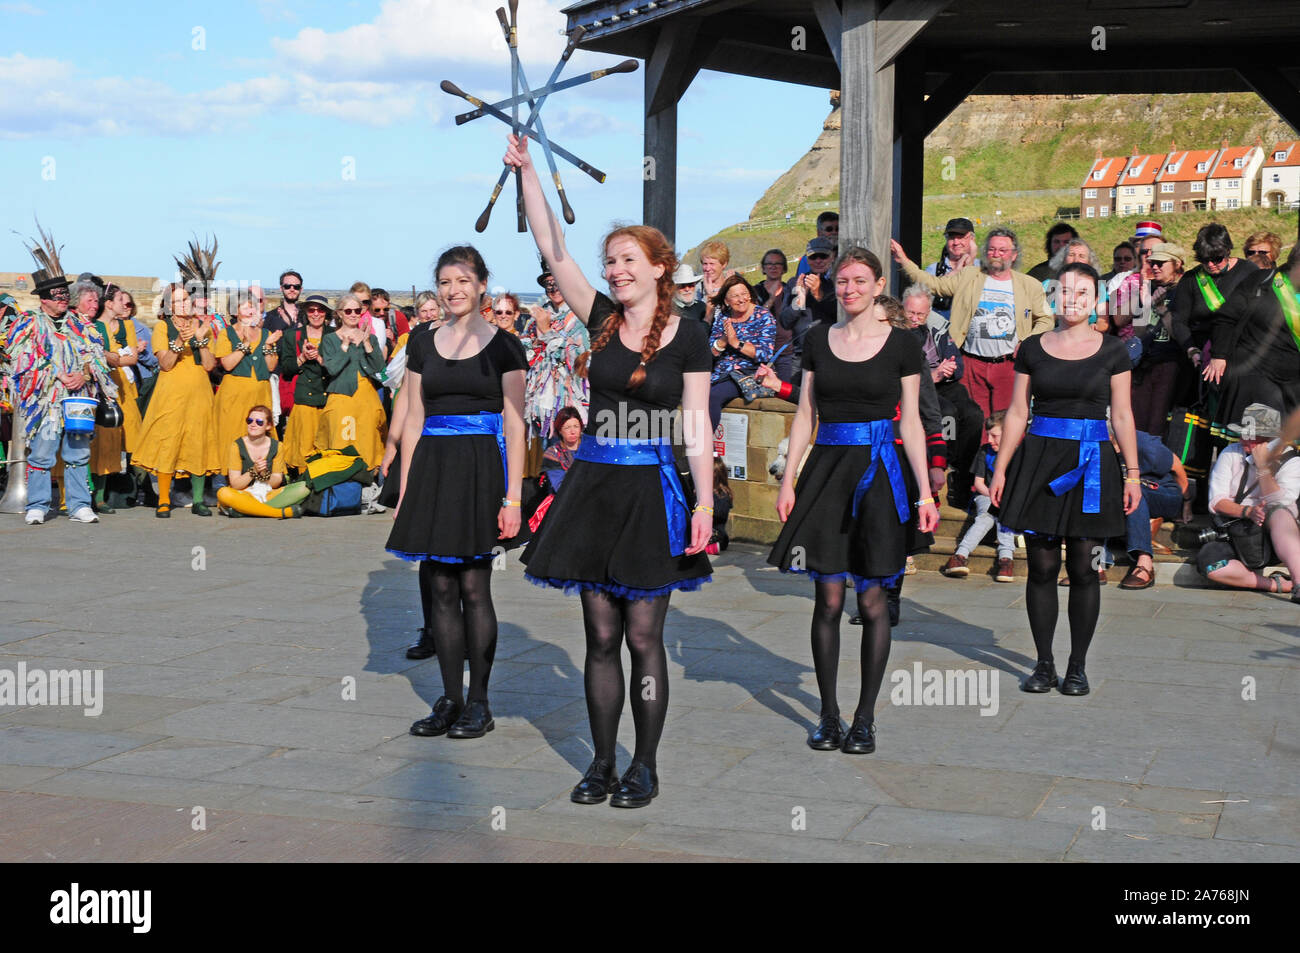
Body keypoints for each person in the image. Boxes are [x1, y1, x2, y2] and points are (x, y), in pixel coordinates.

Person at [506, 131, 714, 809]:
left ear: (659, 267)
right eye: (611, 261)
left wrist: (705, 505)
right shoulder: (599, 319)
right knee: (599, 636)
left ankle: (643, 765)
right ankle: (600, 762)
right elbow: (553, 249)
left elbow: (695, 423)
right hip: (594, 486)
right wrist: (528, 171)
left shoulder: (690, 334)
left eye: (627, 260)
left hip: (654, 490)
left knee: (644, 636)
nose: (616, 270)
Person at [768, 248, 939, 755]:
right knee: (827, 598)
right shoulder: (818, 338)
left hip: (882, 474)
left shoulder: (903, 344)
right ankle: (828, 715)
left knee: (872, 600)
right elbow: (805, 415)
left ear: (878, 284)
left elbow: (912, 422)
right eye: (843, 281)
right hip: (826, 473)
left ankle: (864, 719)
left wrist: (925, 492)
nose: (850, 289)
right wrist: (788, 480)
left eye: (860, 281)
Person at [387, 244, 527, 741]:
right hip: (433, 468)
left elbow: (516, 425)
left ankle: (479, 702)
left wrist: (513, 498)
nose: (453, 290)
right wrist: (406, 489)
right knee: (439, 586)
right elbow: (413, 418)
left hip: (481, 468)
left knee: (473, 585)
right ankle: (450, 698)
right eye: (445, 282)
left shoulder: (506, 345)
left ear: (482, 285)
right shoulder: (421, 342)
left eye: (463, 281)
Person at [990, 263, 1142, 696]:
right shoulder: (1032, 348)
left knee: (1084, 568)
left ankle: (1077, 666)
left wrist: (1133, 474)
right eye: (1066, 291)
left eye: (1082, 292)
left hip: (1093, 465)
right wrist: (1000, 468)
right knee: (1041, 567)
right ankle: (1044, 664)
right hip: (1039, 462)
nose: (1073, 299)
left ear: (1096, 300)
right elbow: (1017, 412)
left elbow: (1123, 415)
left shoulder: (1114, 351)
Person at [892, 228, 1054, 428]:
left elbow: (1046, 319)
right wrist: (904, 261)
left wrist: (1027, 341)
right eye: (992, 249)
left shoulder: (1030, 285)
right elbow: (935, 285)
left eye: (1002, 250)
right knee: (976, 423)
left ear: (1014, 255)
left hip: (1008, 365)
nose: (996, 254)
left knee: (1007, 425)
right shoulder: (969, 276)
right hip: (972, 364)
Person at [7, 263, 115, 525]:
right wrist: (56, 373)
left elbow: (96, 356)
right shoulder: (29, 323)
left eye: (66, 295)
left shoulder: (81, 325)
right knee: (42, 453)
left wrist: (85, 375)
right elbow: (21, 359)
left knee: (78, 451)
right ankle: (37, 505)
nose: (64, 299)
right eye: (57, 296)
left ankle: (80, 505)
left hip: (78, 400)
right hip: (46, 401)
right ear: (44, 299)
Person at [379, 290, 443, 660]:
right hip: (424, 445)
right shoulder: (418, 339)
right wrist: (392, 445)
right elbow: (405, 395)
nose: (434, 312)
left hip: (468, 448)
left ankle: (464, 630)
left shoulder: (476, 335)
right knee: (428, 546)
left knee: (467, 550)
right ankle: (432, 630)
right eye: (427, 308)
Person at [132, 283, 222, 517]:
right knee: (168, 442)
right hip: (171, 394)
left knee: (198, 441)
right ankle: (164, 499)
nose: (184, 304)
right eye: (178, 301)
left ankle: (198, 500)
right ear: (169, 306)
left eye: (186, 299)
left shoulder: (203, 326)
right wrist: (180, 341)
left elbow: (209, 365)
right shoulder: (163, 327)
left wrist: (201, 341)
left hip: (199, 393)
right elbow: (165, 363)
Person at [1196, 404, 1300, 602]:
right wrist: (1247, 511)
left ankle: (1299, 582)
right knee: (1210, 565)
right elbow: (1216, 502)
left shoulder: (1291, 461)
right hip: (1237, 532)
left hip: (1278, 537)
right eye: (1242, 434)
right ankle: (1276, 584)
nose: (1243, 440)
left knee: (1280, 512)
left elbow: (1280, 501)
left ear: (1268, 440)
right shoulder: (1230, 453)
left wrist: (1262, 468)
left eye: (1250, 437)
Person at [1204, 244, 1300, 432]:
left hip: (1294, 385)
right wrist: (1219, 355)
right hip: (1259, 376)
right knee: (1258, 440)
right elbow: (1226, 317)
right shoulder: (1261, 281)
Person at [902, 284, 982, 508]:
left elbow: (958, 365)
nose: (915, 318)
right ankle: (941, 464)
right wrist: (932, 375)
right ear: (902, 309)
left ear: (928, 312)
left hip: (943, 383)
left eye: (920, 314)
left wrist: (948, 370)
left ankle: (962, 470)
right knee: (947, 412)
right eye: (911, 313)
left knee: (974, 415)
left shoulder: (938, 327)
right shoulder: (898, 332)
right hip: (918, 386)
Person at [89, 283, 145, 513]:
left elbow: (132, 359)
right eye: (121, 300)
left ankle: (137, 489)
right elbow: (94, 356)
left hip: (124, 390)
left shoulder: (127, 325)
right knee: (103, 442)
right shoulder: (93, 326)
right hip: (102, 391)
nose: (126, 304)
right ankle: (99, 496)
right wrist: (113, 356)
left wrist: (109, 356)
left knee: (134, 438)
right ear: (109, 304)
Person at [315, 293, 386, 470]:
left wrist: (367, 343)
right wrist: (345, 347)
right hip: (342, 396)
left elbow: (379, 367)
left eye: (357, 310)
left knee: (367, 440)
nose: (353, 314)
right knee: (342, 440)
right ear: (339, 313)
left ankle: (368, 476)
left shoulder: (370, 338)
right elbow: (332, 369)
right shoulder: (330, 339)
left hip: (367, 397)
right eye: (348, 311)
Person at [519, 286, 591, 453]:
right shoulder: (537, 317)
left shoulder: (579, 317)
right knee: (547, 453)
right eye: (548, 284)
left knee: (569, 451)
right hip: (540, 402)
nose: (553, 288)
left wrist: (547, 332)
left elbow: (579, 358)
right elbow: (526, 352)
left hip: (569, 400)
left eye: (556, 283)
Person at [1115, 429, 1189, 590]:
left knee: (1134, 492)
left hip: (1163, 493)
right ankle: (1096, 563)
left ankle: (1144, 561)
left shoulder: (1144, 444)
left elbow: (1177, 466)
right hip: (1125, 498)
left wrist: (1187, 502)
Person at [1129, 242, 1188, 436]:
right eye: (1152, 262)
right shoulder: (1150, 288)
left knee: (1157, 425)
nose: (1155, 267)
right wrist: (1147, 304)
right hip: (1145, 364)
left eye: (1161, 263)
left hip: (1171, 364)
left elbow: (1180, 335)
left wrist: (1162, 309)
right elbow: (1138, 332)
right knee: (1137, 425)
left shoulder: (1185, 290)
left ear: (1177, 264)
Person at [213, 295, 280, 460]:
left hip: (260, 396)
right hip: (234, 397)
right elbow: (227, 364)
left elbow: (271, 366)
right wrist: (245, 345)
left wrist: (268, 345)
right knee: (231, 437)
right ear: (235, 311)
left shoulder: (266, 334)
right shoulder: (226, 334)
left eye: (253, 307)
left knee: (260, 439)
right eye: (245, 307)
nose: (251, 311)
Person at [707, 275, 776, 432]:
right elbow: (711, 351)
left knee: (712, 397)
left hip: (747, 374)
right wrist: (724, 340)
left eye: (744, 293)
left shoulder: (763, 316)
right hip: (721, 373)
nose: (741, 299)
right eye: (735, 296)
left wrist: (737, 343)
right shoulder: (723, 317)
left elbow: (765, 353)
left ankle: (705, 443)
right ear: (726, 301)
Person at [215, 404, 308, 518]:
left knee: (304, 488)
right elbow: (235, 484)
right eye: (249, 421)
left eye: (259, 422)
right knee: (223, 493)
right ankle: (279, 513)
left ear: (268, 426)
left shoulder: (277, 446)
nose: (253, 424)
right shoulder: (237, 445)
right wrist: (253, 471)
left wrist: (264, 473)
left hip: (268, 493)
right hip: (243, 493)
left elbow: (276, 482)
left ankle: (246, 510)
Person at [277, 294, 336, 473]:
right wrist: (302, 357)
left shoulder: (335, 335)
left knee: (326, 447)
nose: (316, 314)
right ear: (305, 312)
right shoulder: (292, 335)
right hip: (303, 399)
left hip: (328, 399)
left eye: (320, 310)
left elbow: (339, 367)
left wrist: (319, 358)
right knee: (304, 449)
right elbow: (286, 368)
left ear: (326, 313)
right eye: (311, 310)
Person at [779, 236, 837, 361]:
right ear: (807, 259)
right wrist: (799, 300)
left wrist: (819, 295)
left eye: (823, 256)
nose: (818, 261)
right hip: (802, 353)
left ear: (832, 257)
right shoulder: (795, 282)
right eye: (813, 257)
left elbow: (841, 315)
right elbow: (785, 322)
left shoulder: (839, 282)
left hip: (833, 351)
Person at [926, 218, 979, 319]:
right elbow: (920, 303)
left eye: (961, 237)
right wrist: (955, 272)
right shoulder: (933, 270)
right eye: (952, 238)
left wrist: (970, 262)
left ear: (972, 240)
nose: (956, 242)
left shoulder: (984, 269)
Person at [794, 211, 840, 276]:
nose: (834, 232)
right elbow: (801, 280)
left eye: (838, 229)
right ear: (819, 233)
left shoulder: (847, 255)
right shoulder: (808, 259)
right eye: (829, 229)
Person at [698, 240, 736, 306]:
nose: (707, 268)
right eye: (705, 264)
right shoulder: (698, 289)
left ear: (724, 264)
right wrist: (708, 295)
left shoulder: (735, 285)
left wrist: (728, 289)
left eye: (712, 264)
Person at [708, 457, 732, 555]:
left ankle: (710, 547)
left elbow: (720, 514)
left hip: (717, 534)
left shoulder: (723, 494)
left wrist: (704, 509)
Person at [754, 248, 789, 313]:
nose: (773, 267)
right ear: (763, 268)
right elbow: (756, 317)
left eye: (777, 263)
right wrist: (771, 299)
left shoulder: (790, 290)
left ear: (784, 268)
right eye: (769, 263)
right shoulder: (754, 292)